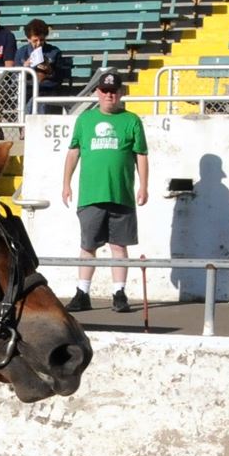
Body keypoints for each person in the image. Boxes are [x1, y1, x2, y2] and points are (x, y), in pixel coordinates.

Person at [61, 71, 149, 313]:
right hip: (91, 193)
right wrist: (66, 183)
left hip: (121, 193)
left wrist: (143, 185)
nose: (109, 95)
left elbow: (140, 154)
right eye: (105, 91)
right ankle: (82, 292)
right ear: (97, 92)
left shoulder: (132, 120)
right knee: (88, 244)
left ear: (120, 93)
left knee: (119, 246)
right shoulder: (85, 120)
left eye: (114, 91)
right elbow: (73, 152)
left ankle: (119, 292)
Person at [20, 19, 69, 106]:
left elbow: (60, 77)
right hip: (27, 89)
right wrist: (25, 68)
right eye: (35, 40)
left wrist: (50, 71)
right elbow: (14, 77)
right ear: (28, 39)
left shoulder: (54, 52)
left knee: (41, 101)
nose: (39, 43)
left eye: (41, 40)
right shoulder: (22, 52)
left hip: (48, 89)